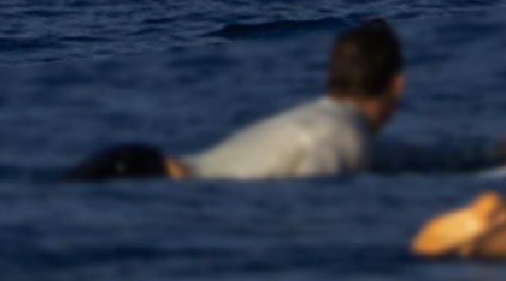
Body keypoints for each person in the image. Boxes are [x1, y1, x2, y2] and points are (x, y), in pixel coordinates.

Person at [67, 17, 405, 181]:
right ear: (397, 84)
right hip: (146, 179)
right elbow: (310, 202)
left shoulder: (325, 120)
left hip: (140, 168)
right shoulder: (345, 134)